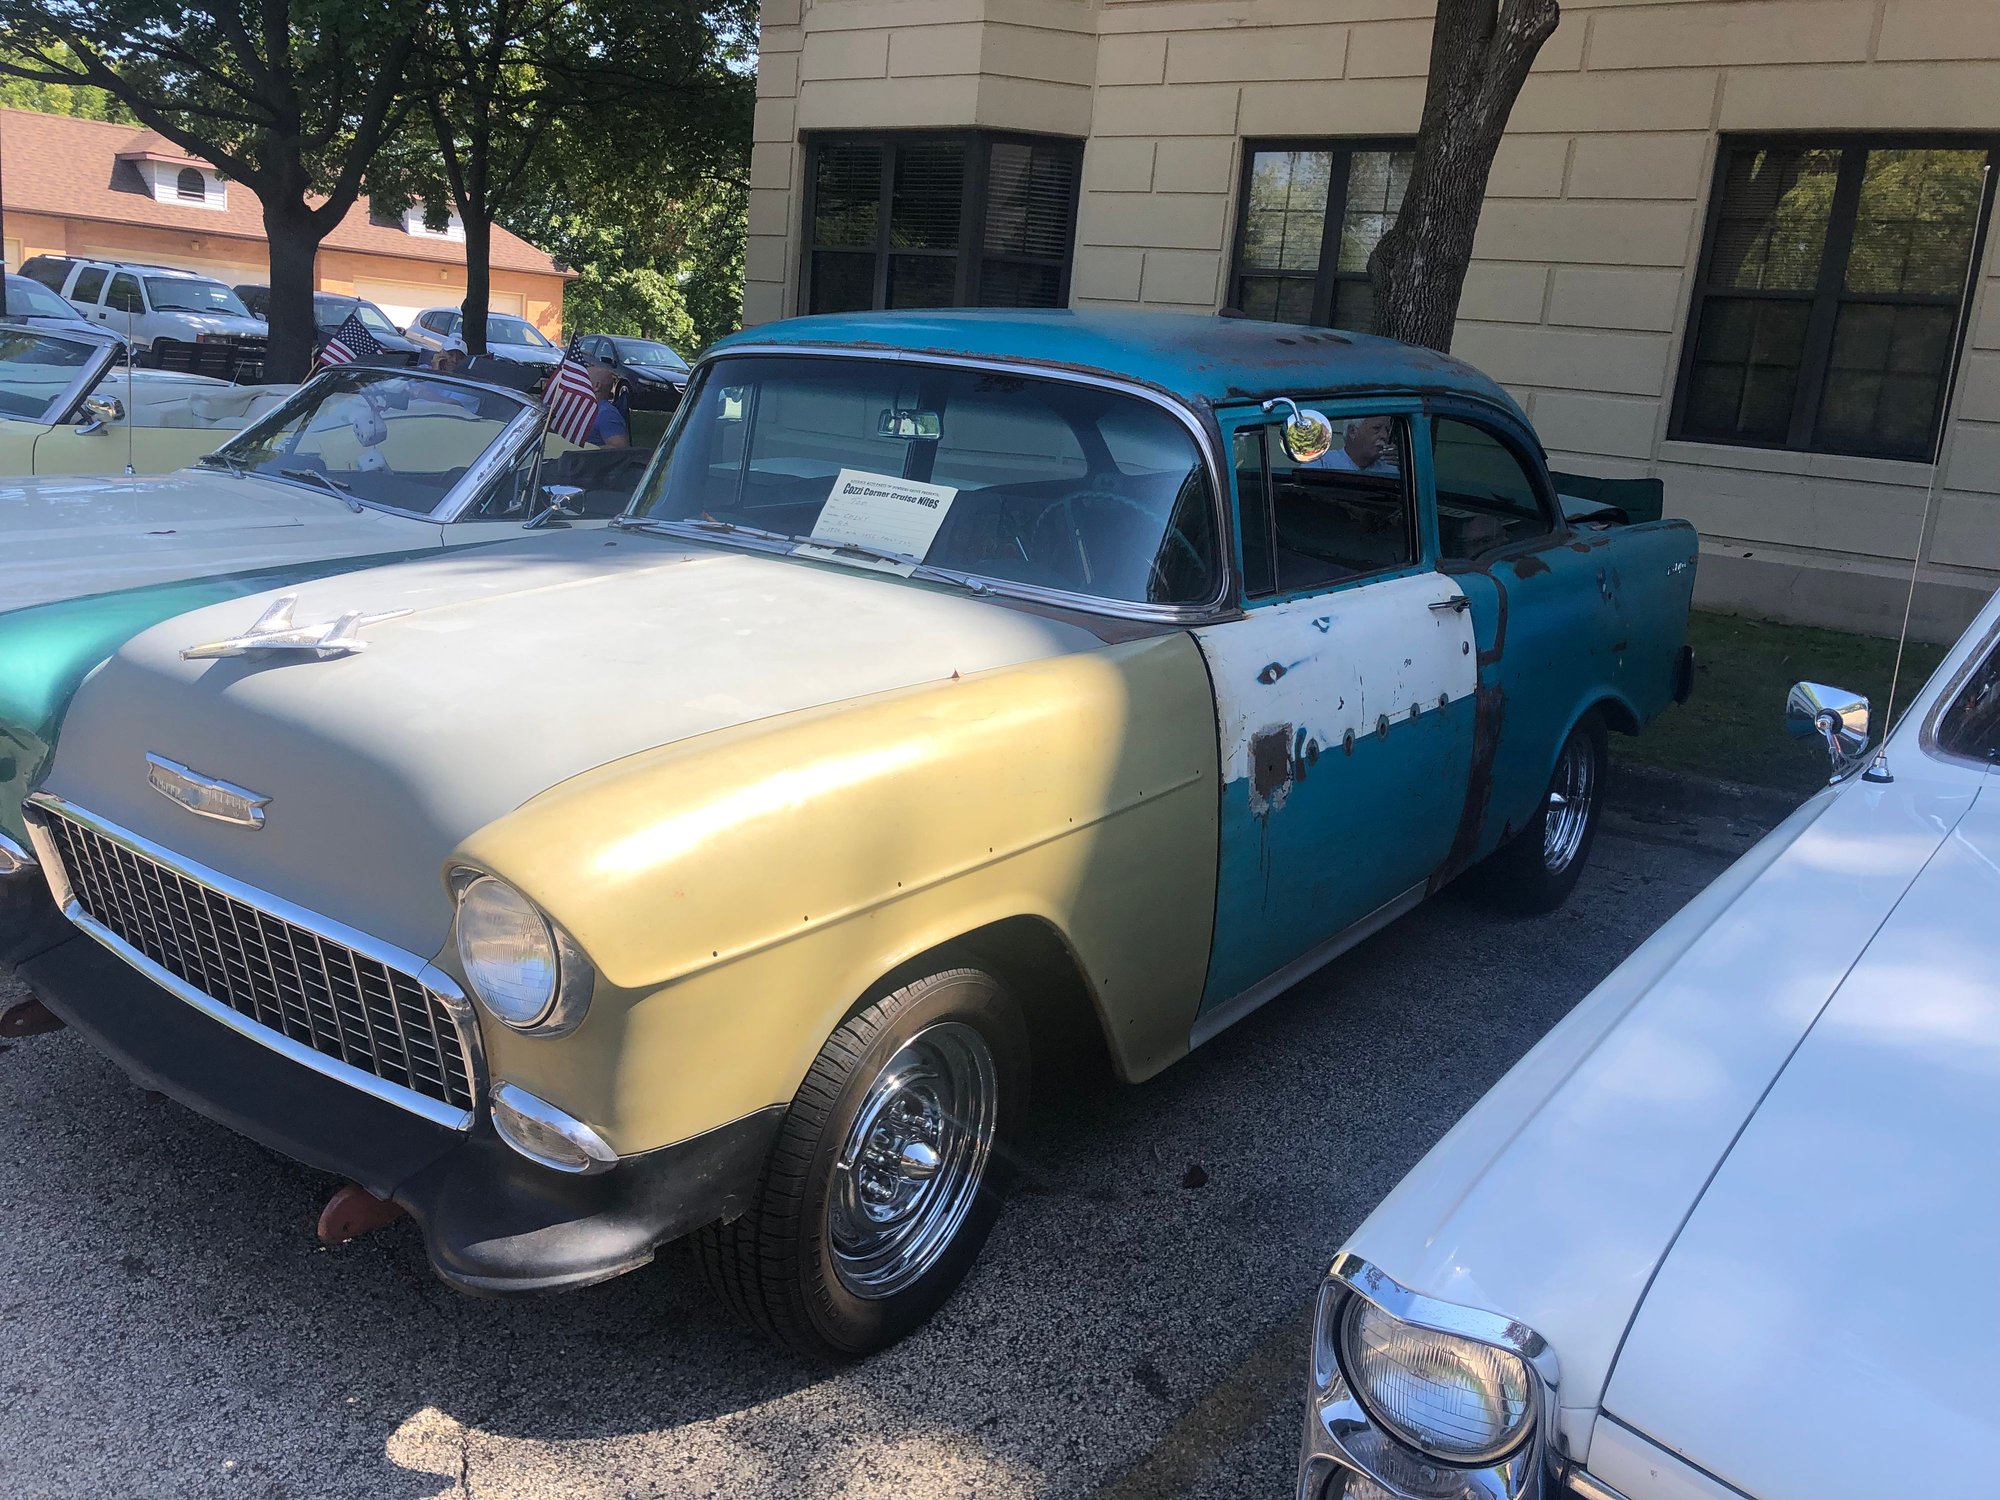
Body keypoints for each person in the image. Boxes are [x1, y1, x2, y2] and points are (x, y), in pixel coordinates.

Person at [1312, 414, 1398, 474]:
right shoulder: (1322, 464)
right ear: (1352, 431)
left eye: (1387, 430)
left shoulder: (1391, 469)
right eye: (1376, 428)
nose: (1384, 435)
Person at [585, 361, 629, 448]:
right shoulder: (582, 408)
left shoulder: (606, 414)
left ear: (596, 386)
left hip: (589, 460)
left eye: (583, 380)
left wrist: (587, 451)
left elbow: (619, 448)